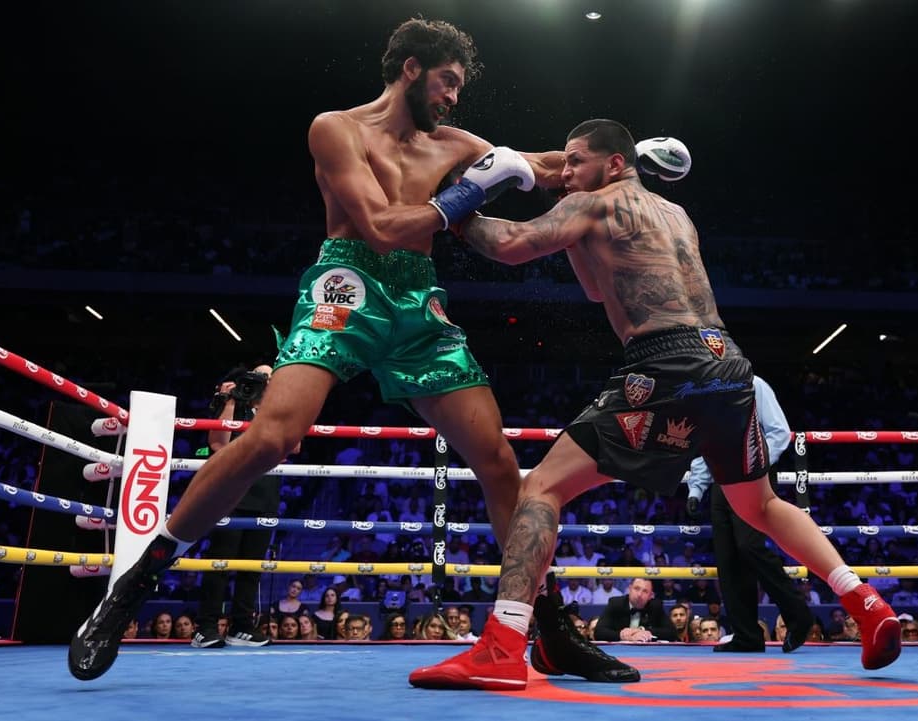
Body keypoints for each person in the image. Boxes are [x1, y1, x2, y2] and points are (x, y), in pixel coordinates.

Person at [67, 17, 612, 682]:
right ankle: (132, 584)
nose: (453, 97)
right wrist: (472, 188)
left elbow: (558, 168)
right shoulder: (336, 128)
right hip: (346, 283)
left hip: (419, 301)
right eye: (447, 81)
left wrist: (622, 165)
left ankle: (546, 625)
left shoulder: (458, 143)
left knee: (500, 463)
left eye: (459, 88)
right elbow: (380, 227)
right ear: (411, 68)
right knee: (272, 437)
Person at [408, 119, 901, 690]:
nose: (563, 173)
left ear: (614, 164)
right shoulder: (674, 213)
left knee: (540, 487)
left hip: (664, 364)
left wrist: (456, 207)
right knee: (759, 505)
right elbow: (598, 288)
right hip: (727, 360)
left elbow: (512, 245)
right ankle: (865, 603)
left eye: (574, 161)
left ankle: (501, 645)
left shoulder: (596, 203)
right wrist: (568, 221)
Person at [685, 374, 816, 653]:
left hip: (754, 473)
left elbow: (779, 431)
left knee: (749, 545)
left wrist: (755, 464)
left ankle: (799, 615)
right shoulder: (701, 390)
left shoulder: (753, 384)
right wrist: (696, 489)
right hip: (722, 476)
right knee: (728, 557)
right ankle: (746, 635)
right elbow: (703, 444)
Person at [191, 364, 281, 649]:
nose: (264, 383)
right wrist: (231, 400)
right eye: (259, 378)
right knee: (220, 564)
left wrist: (280, 403)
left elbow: (294, 447)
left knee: (252, 568)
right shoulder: (234, 407)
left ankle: (242, 627)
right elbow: (218, 444)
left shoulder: (275, 412)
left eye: (269, 378)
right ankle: (205, 627)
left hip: (265, 496)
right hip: (232, 495)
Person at [593, 577, 677, 642]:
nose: (639, 594)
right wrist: (621, 635)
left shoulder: (655, 606)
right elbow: (599, 632)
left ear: (651, 596)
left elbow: (672, 633)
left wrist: (645, 631)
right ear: (629, 589)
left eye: (645, 591)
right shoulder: (615, 603)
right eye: (636, 589)